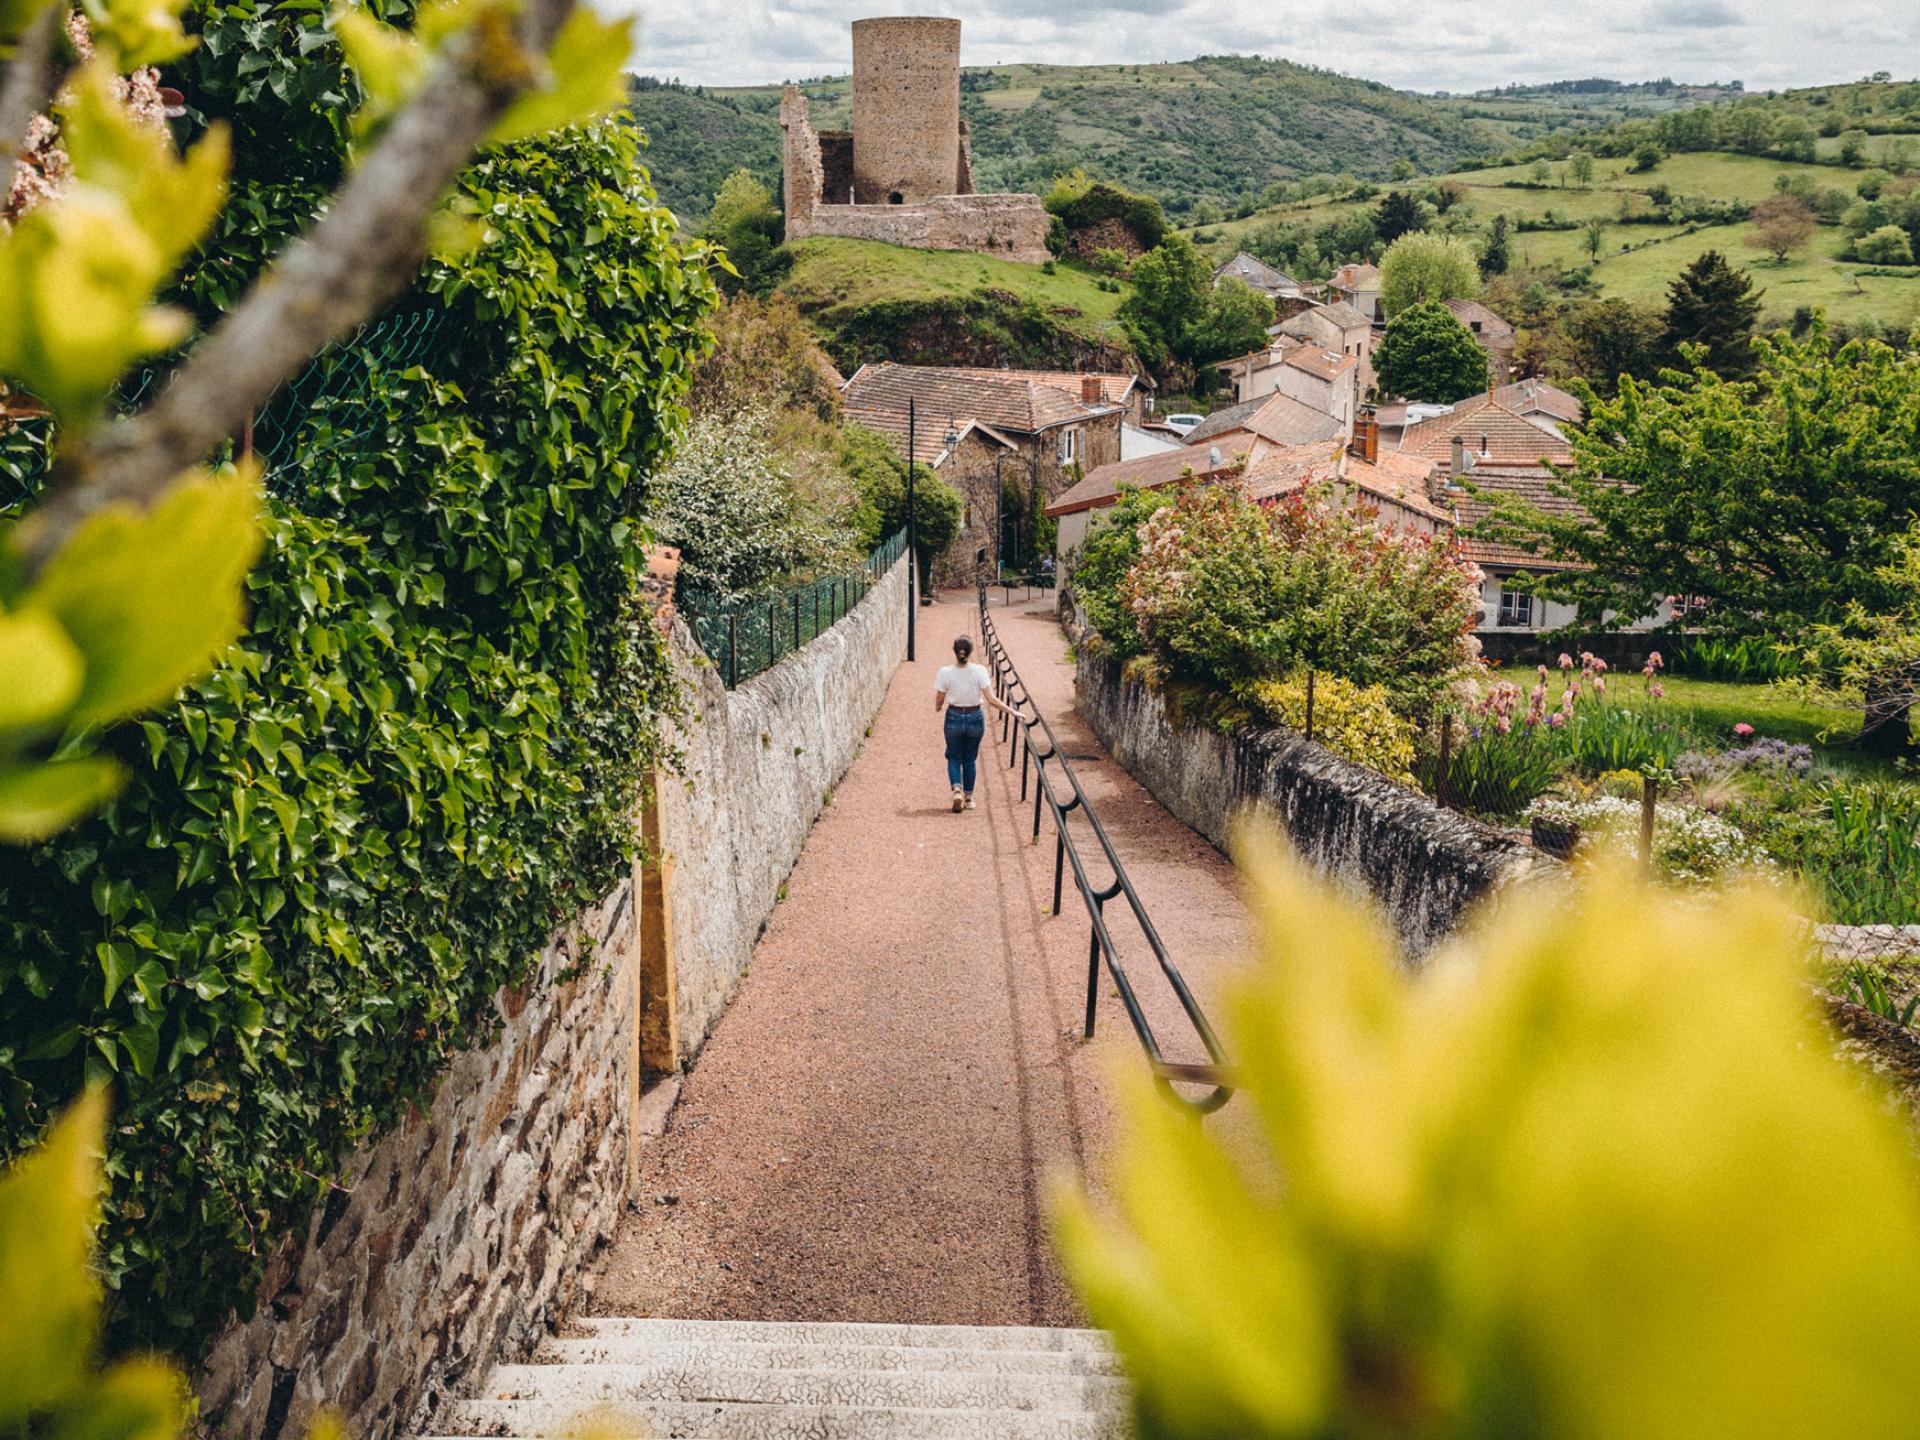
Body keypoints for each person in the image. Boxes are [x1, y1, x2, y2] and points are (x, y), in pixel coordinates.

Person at [934, 634, 1018, 812]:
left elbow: (940, 698)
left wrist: (938, 707)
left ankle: (956, 788)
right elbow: (991, 699)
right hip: (975, 717)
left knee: (953, 756)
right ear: (970, 652)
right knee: (970, 758)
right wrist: (1011, 711)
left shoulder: (945, 672)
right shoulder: (979, 671)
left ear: (954, 652)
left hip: (954, 716)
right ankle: (969, 797)